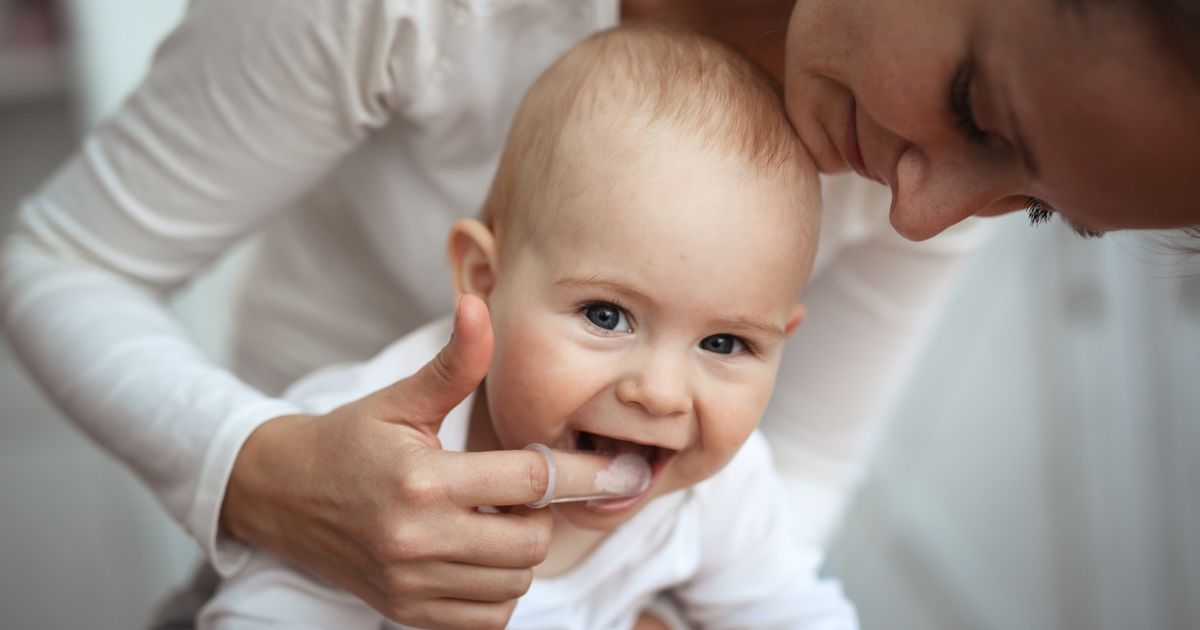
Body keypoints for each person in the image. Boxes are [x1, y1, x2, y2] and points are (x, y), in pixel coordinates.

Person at [0, 0, 1195, 628]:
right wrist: (265, 477)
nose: (925, 217)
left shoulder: (716, 493)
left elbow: (794, 503)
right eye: (976, 105)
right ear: (477, 277)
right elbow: (61, 261)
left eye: (1037, 205)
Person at [196, 25, 858, 629]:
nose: (661, 394)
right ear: (484, 279)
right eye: (606, 315)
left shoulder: (721, 492)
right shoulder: (368, 460)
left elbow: (797, 613)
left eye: (724, 343)